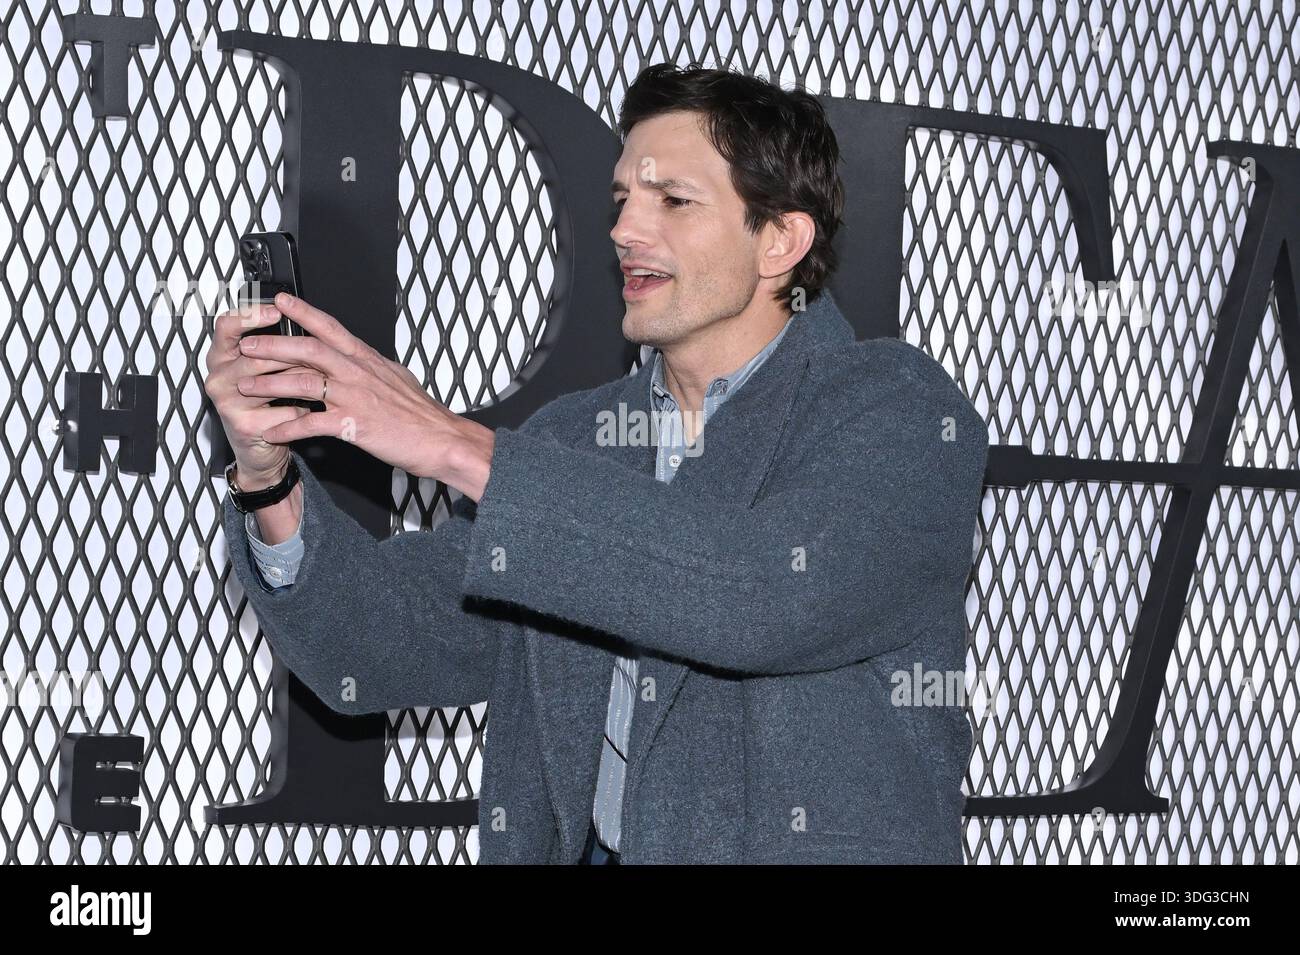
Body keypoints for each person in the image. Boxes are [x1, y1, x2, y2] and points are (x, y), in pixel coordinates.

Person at [203, 63, 989, 864]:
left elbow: (761, 593)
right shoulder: (580, 439)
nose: (624, 231)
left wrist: (457, 444)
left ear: (780, 240)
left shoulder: (897, 410)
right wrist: (270, 479)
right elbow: (381, 644)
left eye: (673, 201)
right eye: (622, 201)